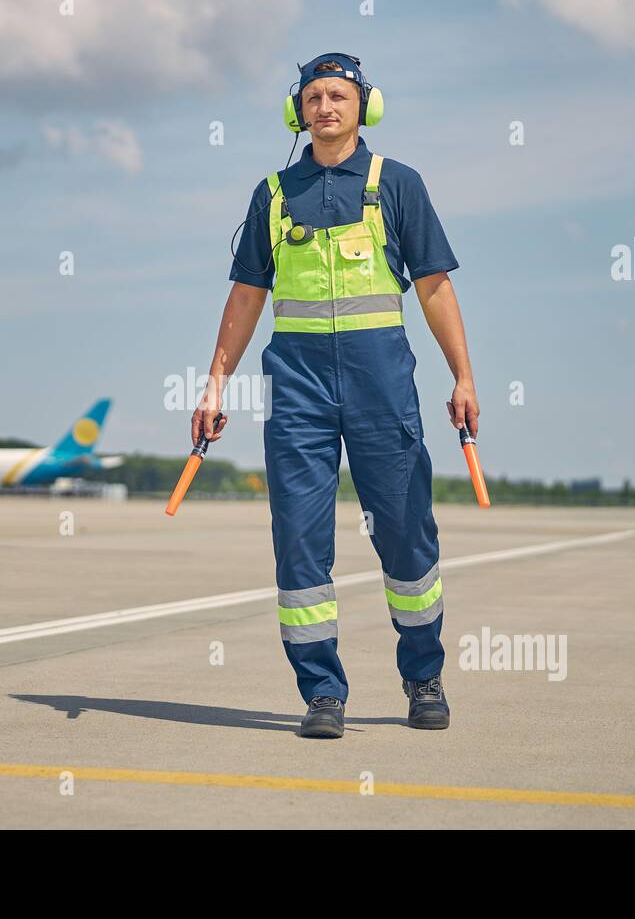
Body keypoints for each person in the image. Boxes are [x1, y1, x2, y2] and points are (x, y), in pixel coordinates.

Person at [192, 52, 480, 738]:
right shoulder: (272, 194)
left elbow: (435, 286)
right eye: (314, 97)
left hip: (383, 389)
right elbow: (246, 296)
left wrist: (463, 377)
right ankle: (322, 693)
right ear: (298, 112)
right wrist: (214, 385)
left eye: (339, 95)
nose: (326, 107)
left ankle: (424, 678)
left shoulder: (398, 185)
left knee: (408, 536)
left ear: (364, 106)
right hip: (298, 393)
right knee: (299, 543)